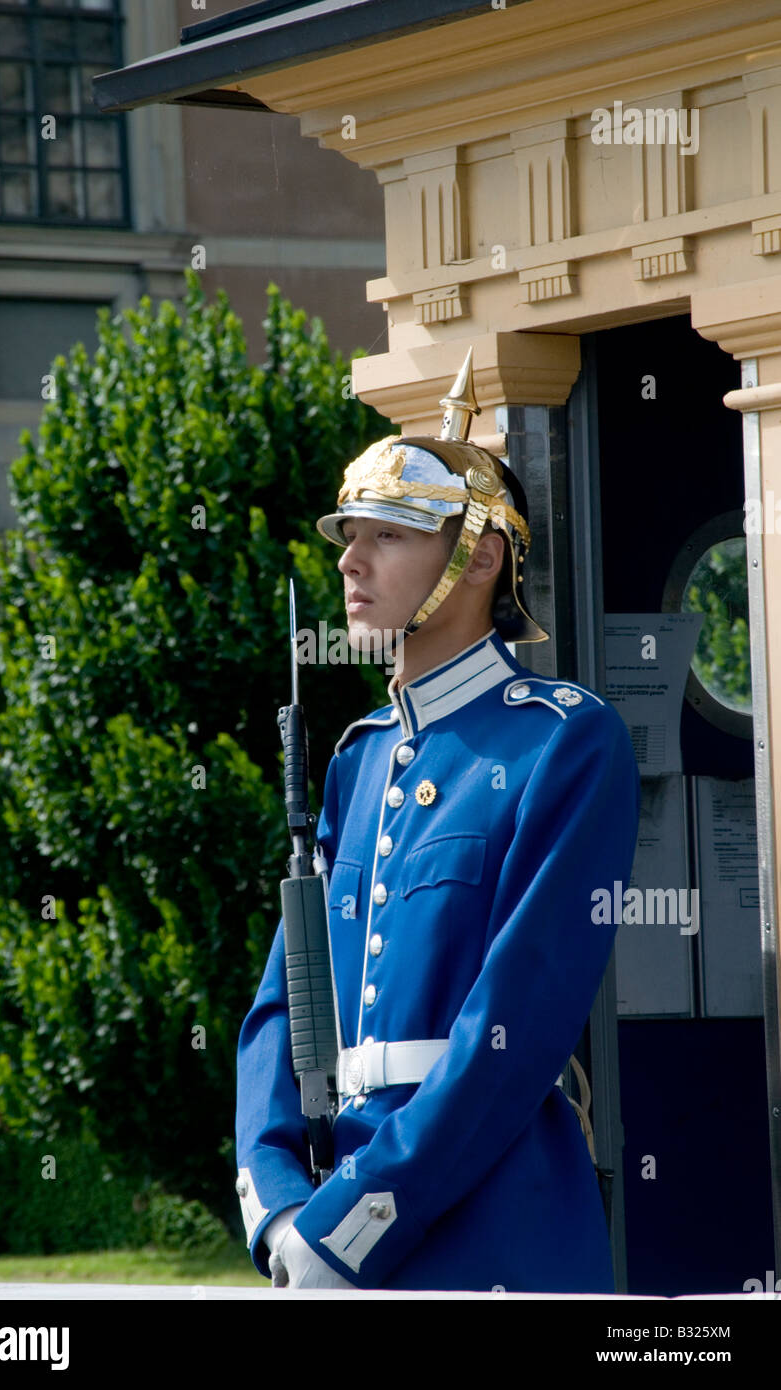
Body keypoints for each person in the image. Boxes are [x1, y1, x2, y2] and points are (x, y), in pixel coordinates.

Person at [234, 352, 640, 1292]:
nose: (348, 560)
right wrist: (282, 1203)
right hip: (333, 1222)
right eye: (349, 534)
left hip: (492, 1227)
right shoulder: (358, 755)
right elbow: (280, 1011)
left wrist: (354, 1220)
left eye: (388, 534)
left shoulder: (565, 743)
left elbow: (516, 1022)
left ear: (480, 554)